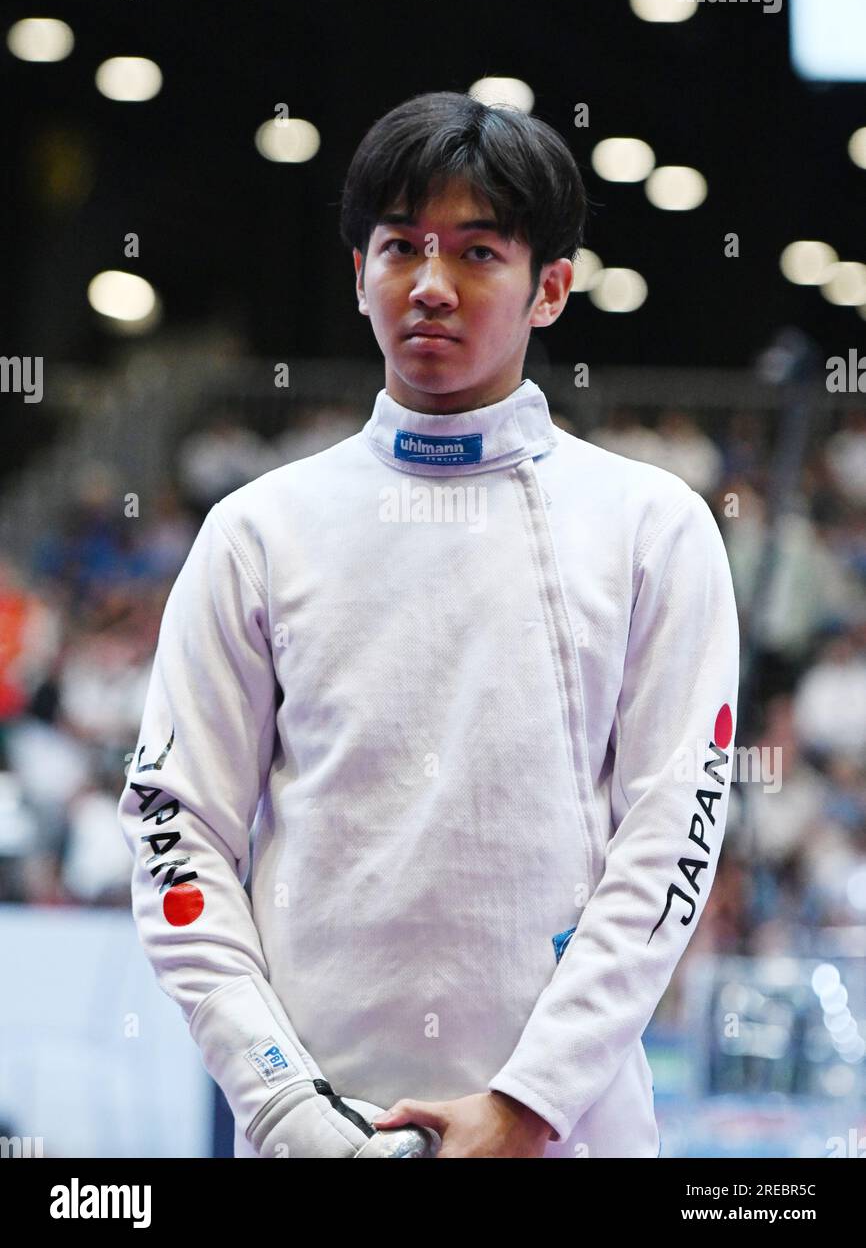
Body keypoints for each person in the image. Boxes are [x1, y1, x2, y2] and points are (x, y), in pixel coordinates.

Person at [117, 90, 740, 1159]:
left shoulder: (650, 528)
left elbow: (671, 839)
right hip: (315, 1131)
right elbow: (177, 832)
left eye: (478, 253)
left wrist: (528, 1103)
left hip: (569, 1138)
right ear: (358, 269)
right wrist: (283, 1106)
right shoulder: (257, 532)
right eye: (401, 246)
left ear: (549, 288)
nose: (432, 287)